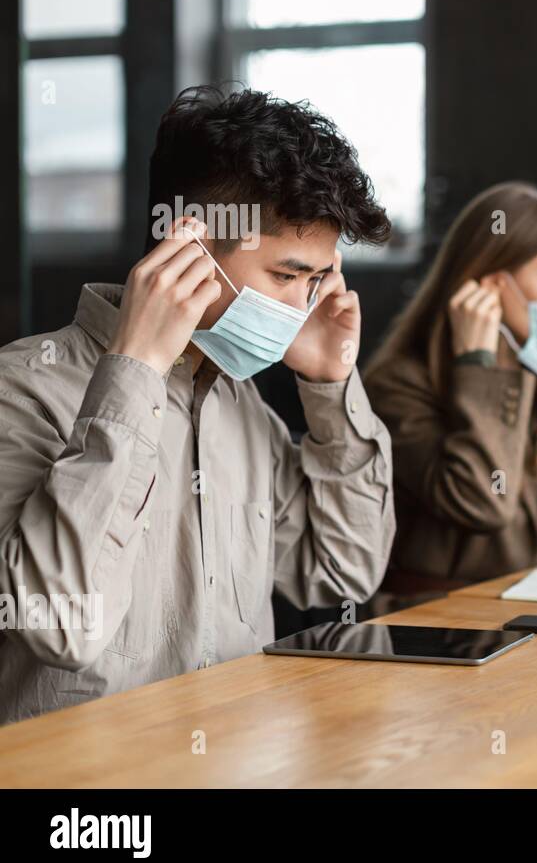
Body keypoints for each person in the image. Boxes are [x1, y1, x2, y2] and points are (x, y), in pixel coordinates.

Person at [0, 86, 396, 725]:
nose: (302, 309)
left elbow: (341, 572)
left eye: (317, 280)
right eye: (286, 277)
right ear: (188, 247)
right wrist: (135, 373)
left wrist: (329, 387)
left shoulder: (241, 406)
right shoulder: (22, 390)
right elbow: (60, 625)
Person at [364, 182, 537, 592]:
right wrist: (477, 367)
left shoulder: (535, 374)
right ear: (489, 285)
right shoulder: (397, 384)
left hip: (525, 615)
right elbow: (482, 504)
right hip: (439, 630)